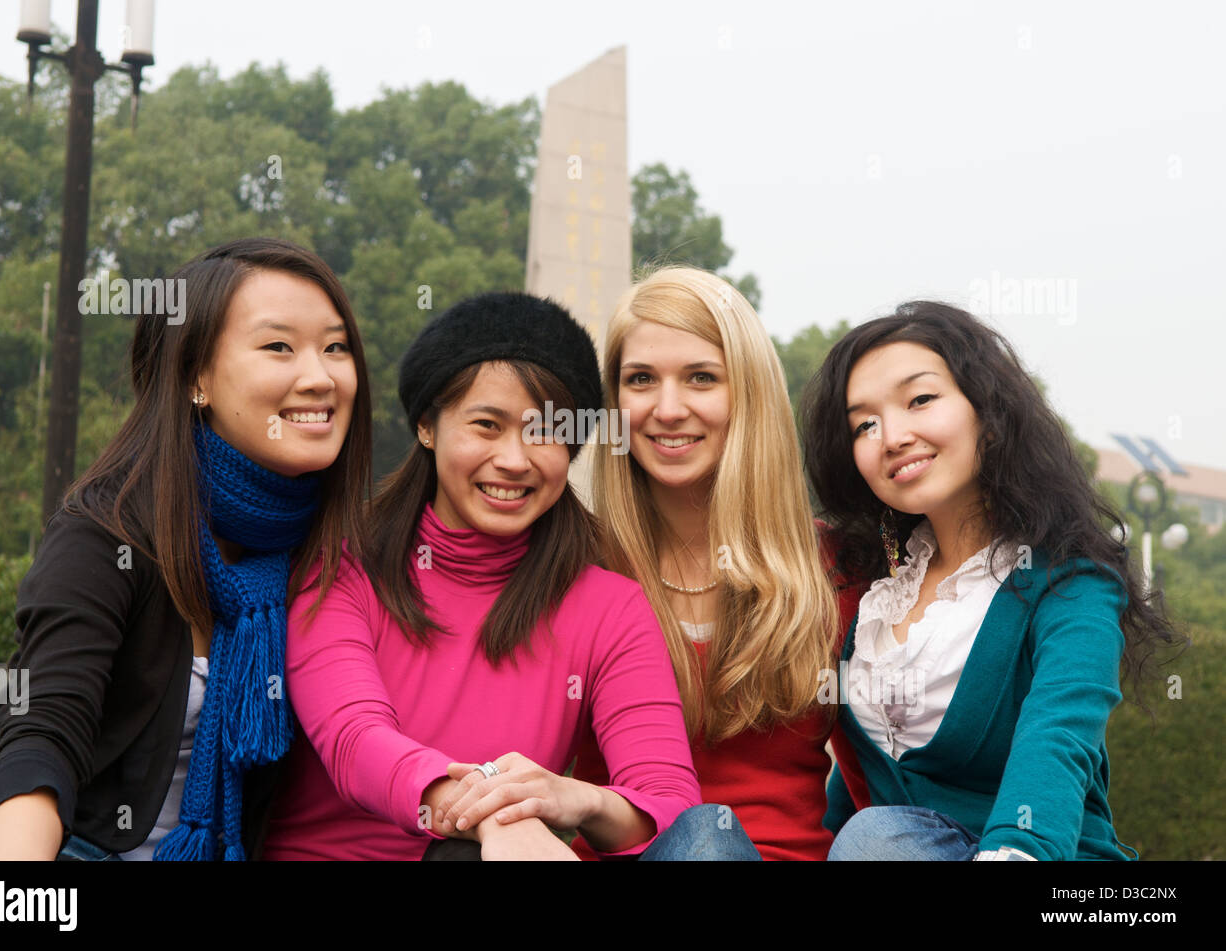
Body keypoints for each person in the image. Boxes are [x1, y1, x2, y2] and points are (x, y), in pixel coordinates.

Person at [0, 237, 371, 861]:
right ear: (196, 378)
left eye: (335, 347)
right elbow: (45, 726)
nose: (320, 377)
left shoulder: (339, 555)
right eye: (279, 347)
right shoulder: (107, 532)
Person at [262, 291, 726, 861]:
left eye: (542, 432)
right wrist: (486, 815)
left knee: (712, 836)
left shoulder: (610, 606)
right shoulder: (342, 569)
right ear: (428, 426)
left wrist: (572, 800)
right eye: (486, 424)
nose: (514, 458)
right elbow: (356, 742)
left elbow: (671, 807)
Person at [799, 300, 1178, 860]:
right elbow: (863, 787)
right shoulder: (874, 599)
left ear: (989, 413)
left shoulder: (1072, 585)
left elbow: (1057, 739)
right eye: (865, 424)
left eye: (920, 399)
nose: (892, 435)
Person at [571, 266, 871, 861]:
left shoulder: (839, 569)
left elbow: (881, 787)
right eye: (640, 380)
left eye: (701, 378)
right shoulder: (571, 567)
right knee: (704, 837)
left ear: (749, 394)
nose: (668, 408)